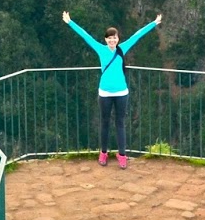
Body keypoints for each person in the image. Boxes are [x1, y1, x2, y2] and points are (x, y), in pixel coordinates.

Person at [63, 10, 162, 169]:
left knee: (120, 123)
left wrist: (153, 23)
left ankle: (122, 155)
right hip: (105, 93)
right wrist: (70, 22)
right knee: (105, 123)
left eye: (114, 38)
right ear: (106, 39)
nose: (112, 41)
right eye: (109, 38)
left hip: (122, 92)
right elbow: (85, 35)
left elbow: (137, 36)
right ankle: (103, 153)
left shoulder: (122, 48)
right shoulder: (100, 49)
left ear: (118, 39)